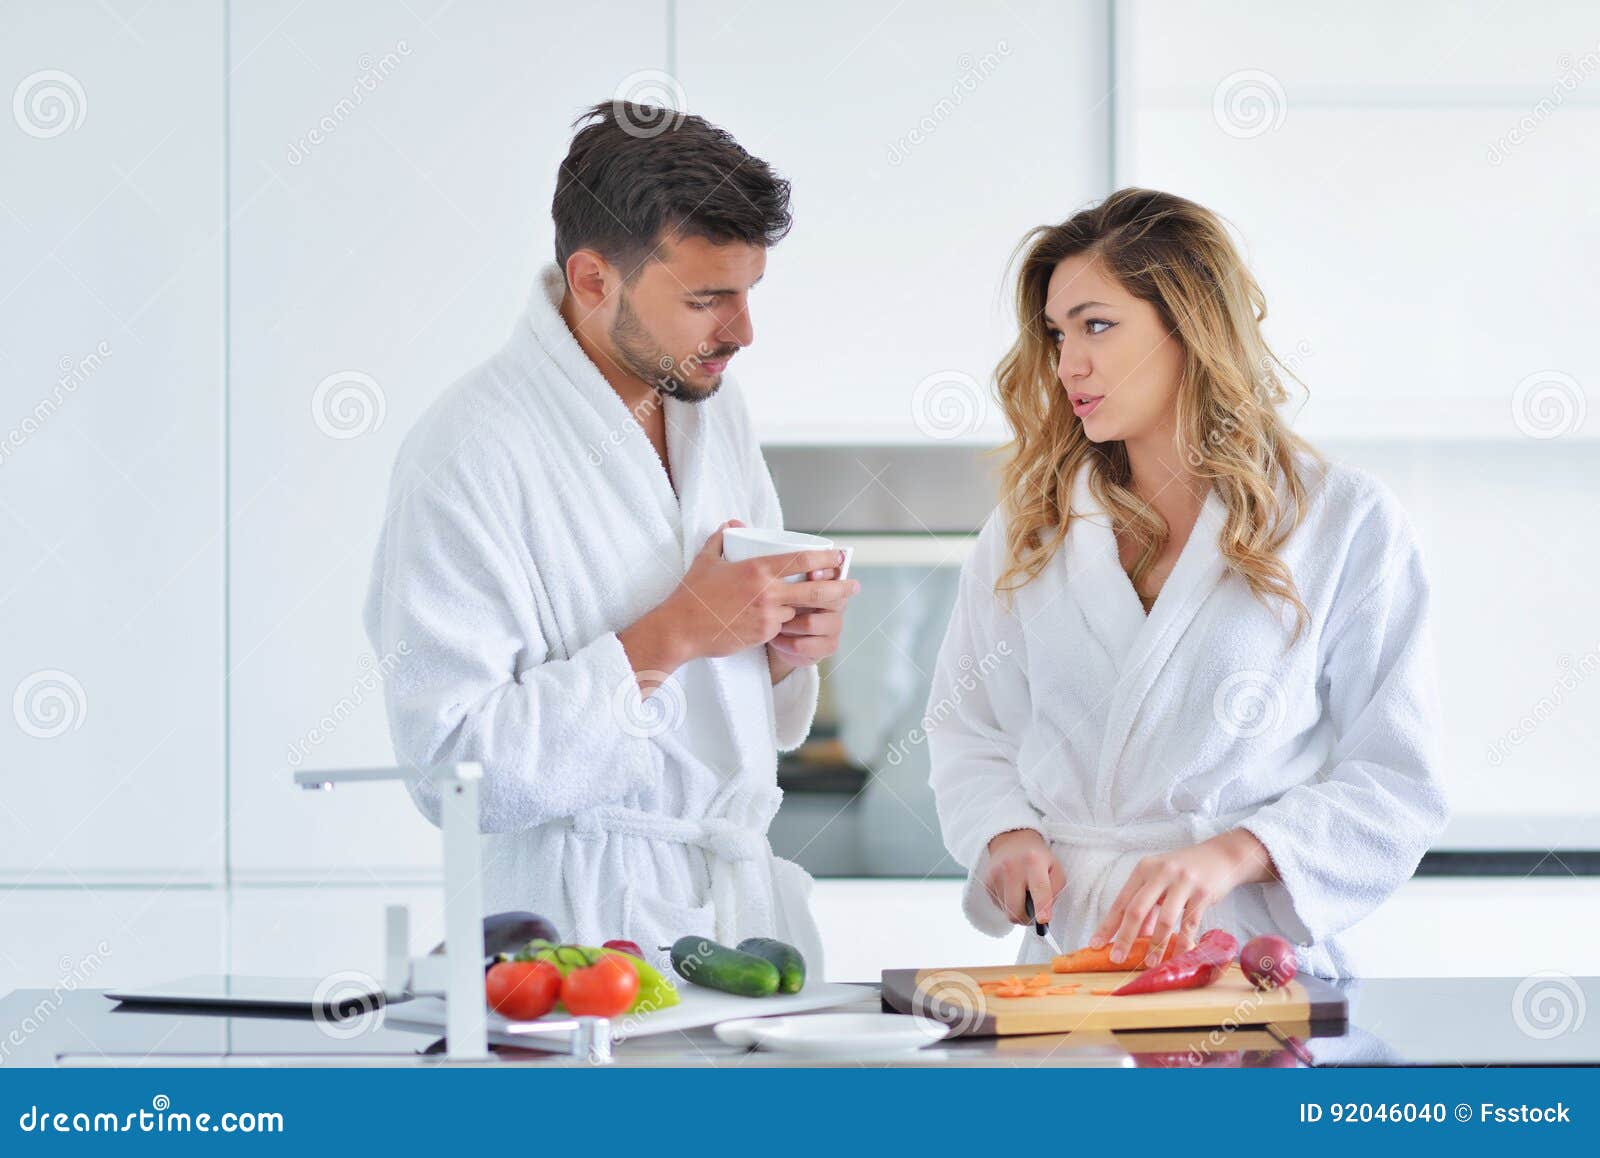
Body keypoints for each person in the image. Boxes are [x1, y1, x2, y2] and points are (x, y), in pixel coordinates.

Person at [364, 102, 858, 973]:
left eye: (748, 294)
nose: (743, 333)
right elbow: (451, 772)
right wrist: (675, 633)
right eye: (708, 300)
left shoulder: (711, 408)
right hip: (568, 934)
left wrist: (778, 649)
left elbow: (725, 679)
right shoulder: (468, 450)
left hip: (740, 923)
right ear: (593, 278)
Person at [926, 188, 1447, 978]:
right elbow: (968, 730)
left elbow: (1397, 778)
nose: (1069, 363)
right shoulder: (1032, 528)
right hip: (1073, 962)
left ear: (1190, 323)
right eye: (1057, 333)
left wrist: (1233, 856)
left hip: (1248, 966)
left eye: (1098, 325)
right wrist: (1005, 835)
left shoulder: (1340, 520)